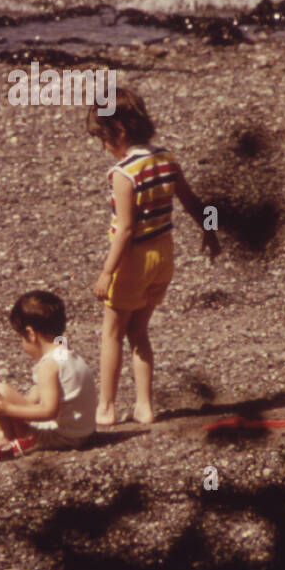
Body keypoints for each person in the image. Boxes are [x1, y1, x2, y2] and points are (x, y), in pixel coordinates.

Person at [86, 87, 220, 426]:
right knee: (140, 332)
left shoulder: (123, 174)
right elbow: (192, 200)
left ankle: (106, 406)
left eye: (103, 139)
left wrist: (106, 271)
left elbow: (126, 230)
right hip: (163, 254)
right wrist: (210, 230)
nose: (103, 147)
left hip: (132, 259)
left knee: (112, 333)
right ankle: (144, 406)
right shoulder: (165, 159)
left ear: (119, 132)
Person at [0, 290, 97, 465]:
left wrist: (8, 410)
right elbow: (42, 392)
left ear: (31, 334)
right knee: (9, 395)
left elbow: (48, 411)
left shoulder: (48, 365)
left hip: (63, 438)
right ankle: (12, 433)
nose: (22, 345)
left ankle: (8, 439)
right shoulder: (66, 351)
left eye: (21, 338)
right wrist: (23, 405)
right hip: (83, 432)